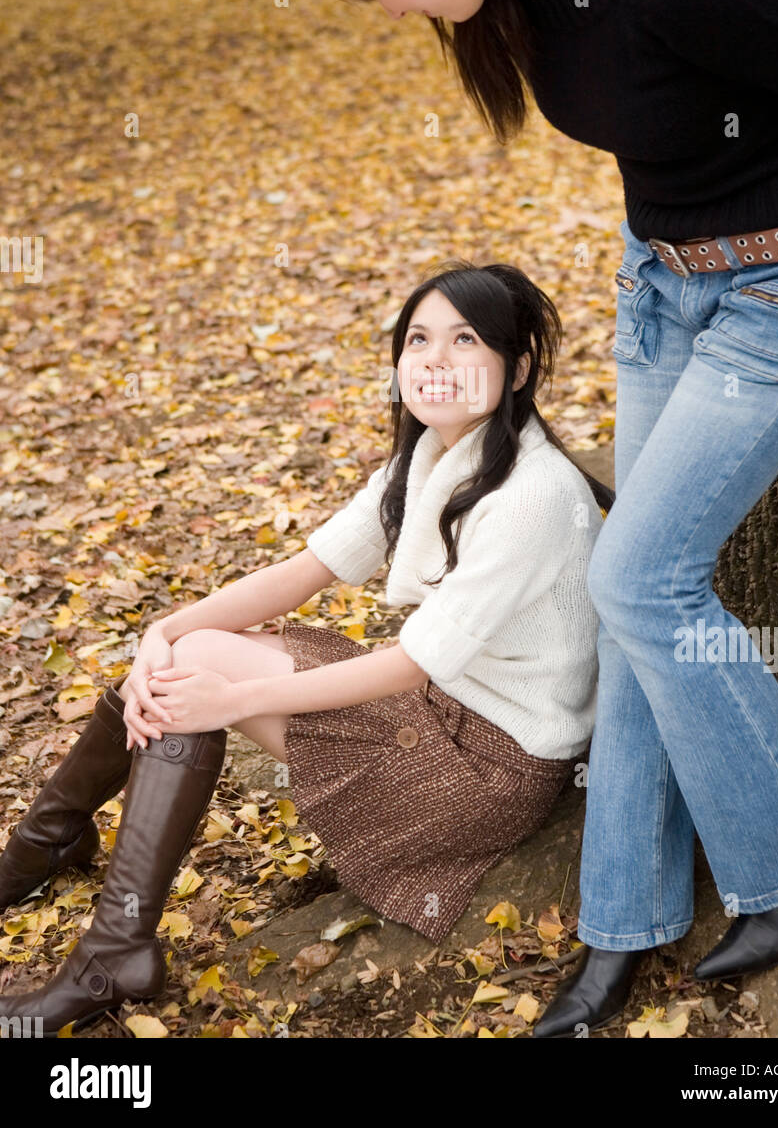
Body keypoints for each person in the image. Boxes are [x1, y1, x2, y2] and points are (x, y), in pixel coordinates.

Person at [291, 0, 778, 1036]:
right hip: (662, 286)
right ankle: (620, 925)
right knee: (627, 594)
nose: (387, 12)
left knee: (643, 583)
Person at [0, 261, 607, 1036]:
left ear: (517, 367)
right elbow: (305, 570)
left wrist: (233, 698)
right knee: (183, 655)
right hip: (439, 714)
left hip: (482, 770)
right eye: (419, 339)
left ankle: (91, 923)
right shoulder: (429, 454)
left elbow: (411, 662)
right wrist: (165, 628)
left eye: (466, 340)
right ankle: (50, 852)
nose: (436, 360)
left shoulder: (530, 494)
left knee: (198, 676)